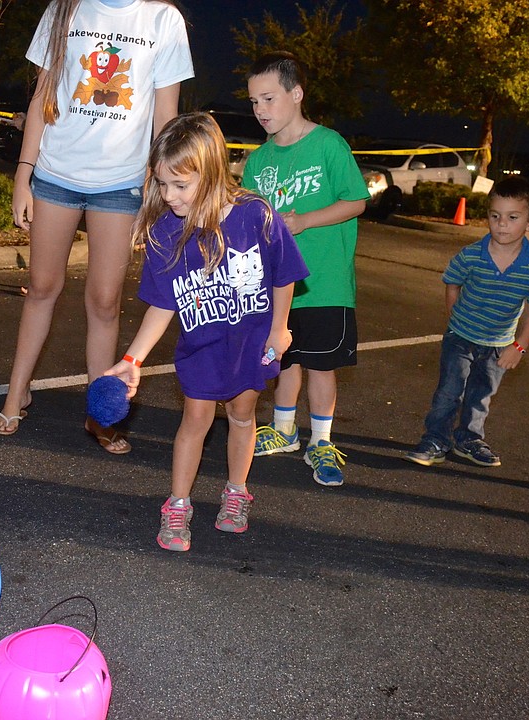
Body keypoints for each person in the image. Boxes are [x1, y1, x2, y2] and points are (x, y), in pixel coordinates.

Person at [0, 0, 194, 455]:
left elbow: (166, 118)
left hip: (120, 184)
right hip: (55, 176)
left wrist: (159, 190)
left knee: (104, 302)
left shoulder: (164, 20)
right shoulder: (65, 9)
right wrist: (24, 173)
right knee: (41, 287)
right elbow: (43, 96)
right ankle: (15, 393)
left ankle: (99, 412)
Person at [103, 113, 308, 551]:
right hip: (203, 346)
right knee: (195, 419)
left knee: (241, 416)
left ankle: (236, 492)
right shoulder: (167, 232)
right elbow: (162, 303)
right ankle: (177, 505)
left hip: (250, 342)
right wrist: (132, 359)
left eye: (180, 185)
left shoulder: (257, 216)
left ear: (212, 173)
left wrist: (280, 329)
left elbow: (283, 275)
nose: (168, 195)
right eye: (161, 183)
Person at [240, 52, 369, 487]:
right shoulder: (258, 161)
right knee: (284, 358)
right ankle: (283, 431)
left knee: (320, 364)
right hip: (277, 285)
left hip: (324, 283)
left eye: (269, 99)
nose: (260, 110)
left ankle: (322, 441)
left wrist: (304, 221)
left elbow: (357, 200)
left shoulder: (328, 144)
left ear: (296, 94)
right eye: (254, 101)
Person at [403, 177, 529, 468]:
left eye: (512, 218)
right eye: (495, 216)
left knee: (481, 394)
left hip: (500, 345)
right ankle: (436, 439)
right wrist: (454, 317)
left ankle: (468, 439)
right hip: (460, 337)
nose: (501, 224)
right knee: (449, 392)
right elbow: (452, 283)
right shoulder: (472, 254)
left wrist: (519, 347)